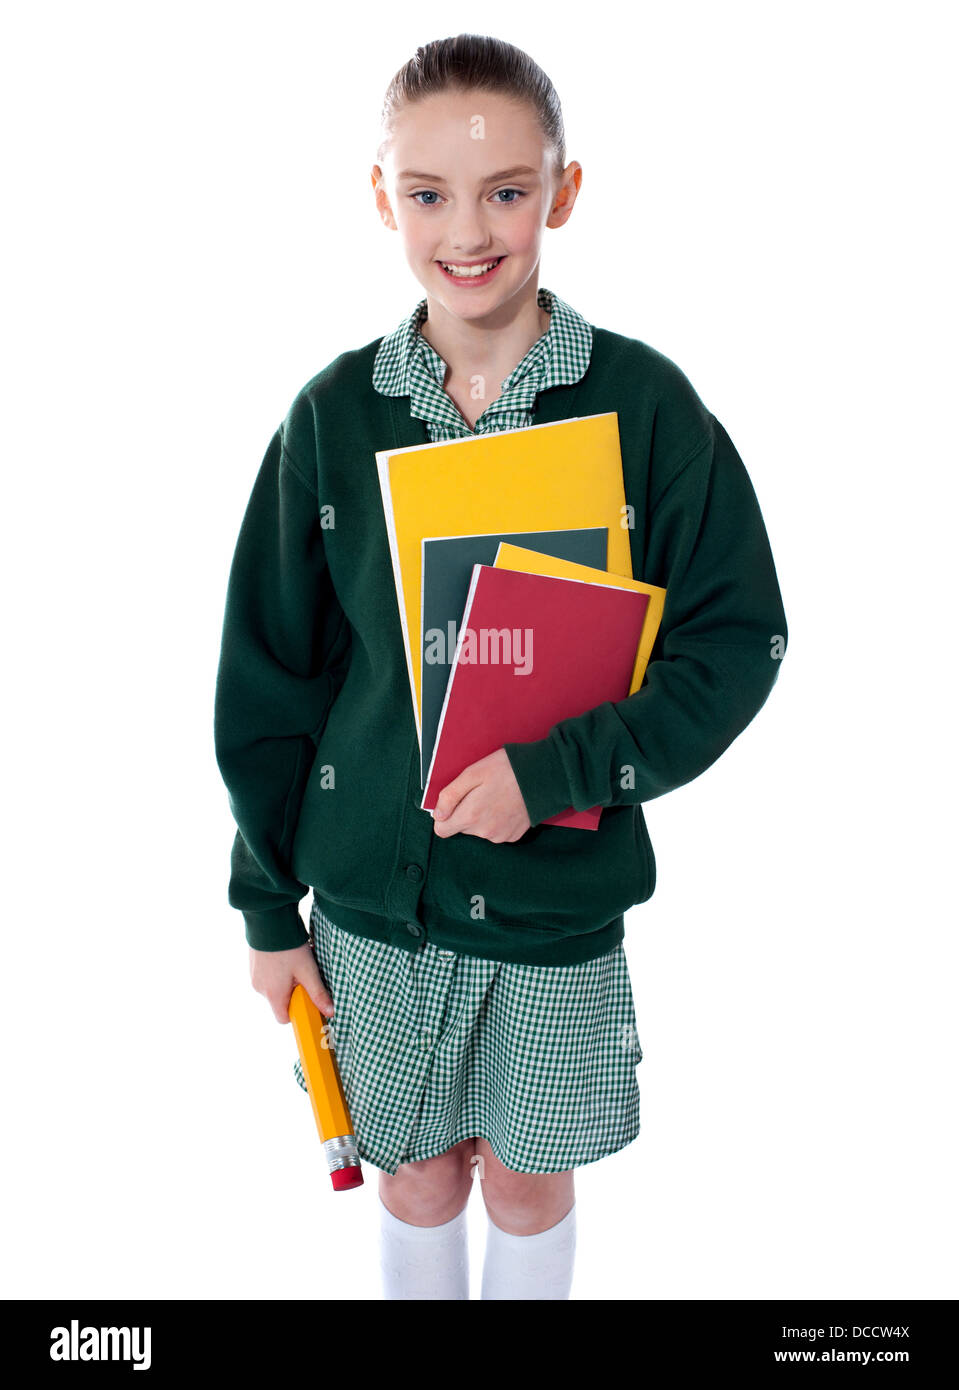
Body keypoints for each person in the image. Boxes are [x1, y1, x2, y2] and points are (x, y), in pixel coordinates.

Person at [213, 32, 788, 1301]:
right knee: (414, 1174)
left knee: (528, 1179)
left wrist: (560, 769)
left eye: (505, 191)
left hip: (553, 901)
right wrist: (266, 903)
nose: (466, 230)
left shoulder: (644, 409)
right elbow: (271, 679)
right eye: (426, 193)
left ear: (561, 192)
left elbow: (735, 638)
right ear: (381, 199)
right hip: (373, 900)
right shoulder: (330, 416)